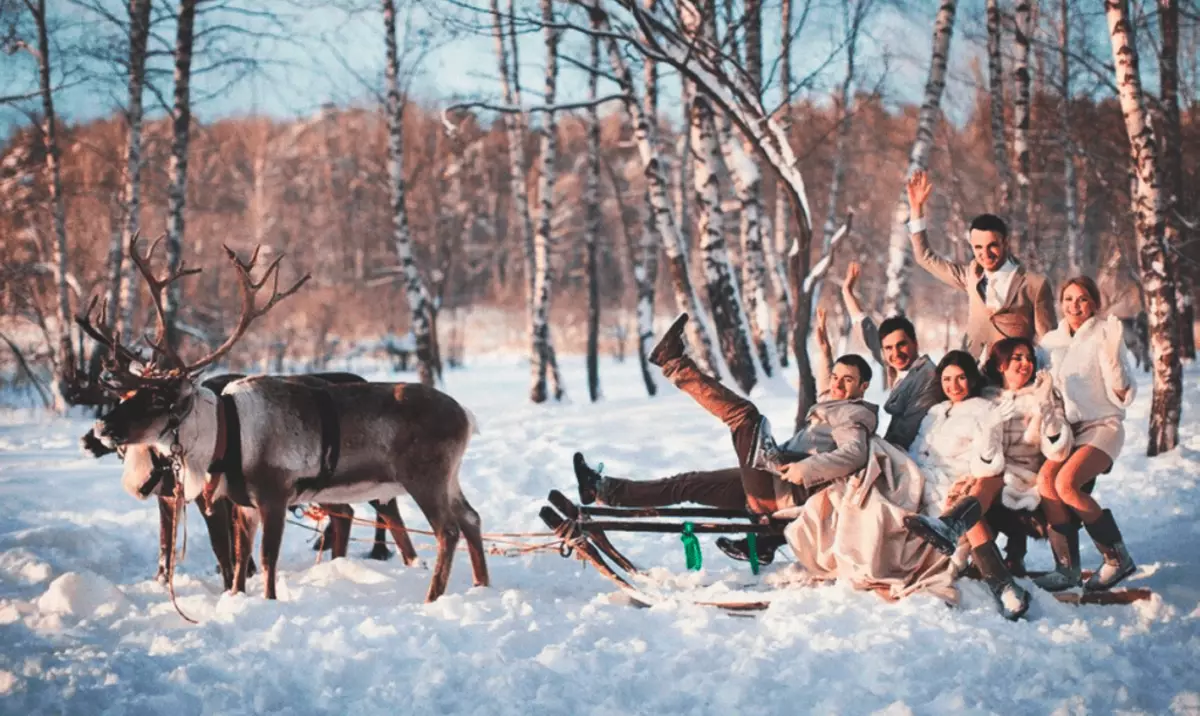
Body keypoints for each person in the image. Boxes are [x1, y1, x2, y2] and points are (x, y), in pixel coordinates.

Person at [573, 312, 879, 566]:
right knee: (688, 483)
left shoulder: (854, 415)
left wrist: (806, 470)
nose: (837, 384)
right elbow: (829, 381)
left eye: (847, 380)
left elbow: (855, 454)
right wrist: (824, 347)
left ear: (863, 387)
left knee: (745, 417)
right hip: (772, 481)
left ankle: (674, 362)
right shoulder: (836, 403)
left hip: (784, 490)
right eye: (836, 377)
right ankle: (604, 490)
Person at [901, 350, 1032, 620]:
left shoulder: (984, 410)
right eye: (947, 379)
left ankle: (1004, 586)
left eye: (961, 378)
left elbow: (989, 464)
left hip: (959, 480)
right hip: (923, 482)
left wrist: (989, 428)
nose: (954, 385)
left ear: (972, 380)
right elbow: (916, 451)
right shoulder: (935, 412)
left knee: (964, 504)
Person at [1031, 277, 1137, 593]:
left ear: (1093, 302)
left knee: (1067, 483)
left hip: (1104, 425)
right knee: (1046, 482)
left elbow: (1123, 393)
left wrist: (1115, 357)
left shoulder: (1107, 334)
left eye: (1082, 299)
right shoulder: (1050, 342)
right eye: (1068, 299)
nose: (1075, 306)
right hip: (1068, 430)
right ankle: (1066, 569)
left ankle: (1118, 558)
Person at [905, 170, 1056, 357]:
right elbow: (925, 257)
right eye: (978, 247)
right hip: (973, 373)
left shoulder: (1035, 284)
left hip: (1013, 376)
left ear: (1006, 243)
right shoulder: (970, 276)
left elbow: (1049, 341)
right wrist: (916, 209)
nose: (985, 254)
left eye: (992, 246)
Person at [841, 262, 942, 450]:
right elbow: (868, 331)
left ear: (915, 344)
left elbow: (908, 430)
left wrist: (875, 451)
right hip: (896, 446)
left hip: (919, 452)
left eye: (902, 345)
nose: (896, 354)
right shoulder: (898, 364)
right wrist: (847, 292)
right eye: (889, 348)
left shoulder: (927, 377)